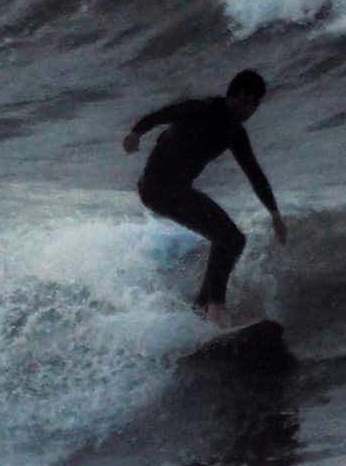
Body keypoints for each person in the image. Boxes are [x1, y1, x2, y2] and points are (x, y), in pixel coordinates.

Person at [122, 70, 285, 318]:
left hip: (177, 191)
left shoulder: (235, 133)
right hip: (157, 187)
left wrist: (274, 213)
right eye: (242, 101)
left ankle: (202, 308)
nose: (246, 109)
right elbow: (161, 115)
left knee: (231, 239)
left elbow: (254, 172)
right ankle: (214, 306)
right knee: (229, 238)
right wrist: (136, 133)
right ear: (229, 96)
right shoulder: (201, 109)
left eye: (253, 105)